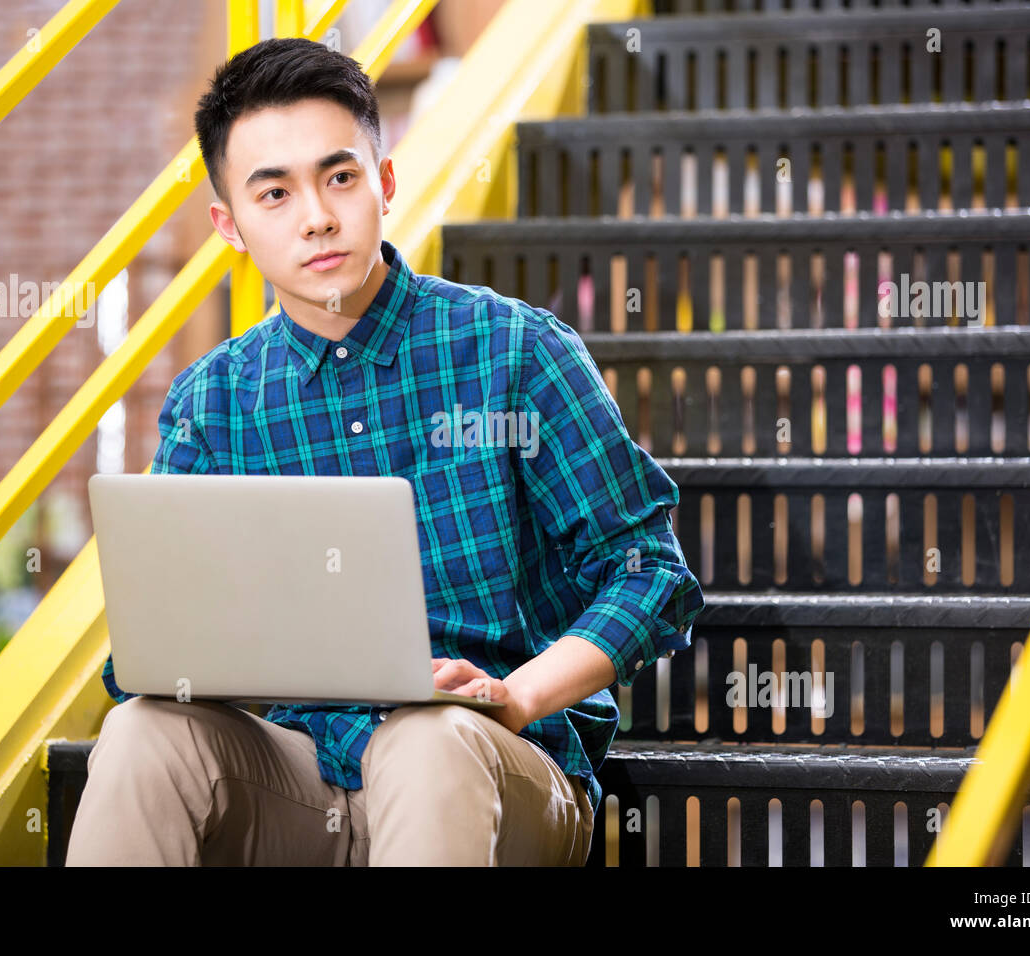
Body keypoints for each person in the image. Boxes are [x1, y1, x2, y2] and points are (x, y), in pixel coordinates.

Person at [65, 36, 703, 867]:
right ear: (230, 226)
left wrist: (516, 696)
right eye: (274, 193)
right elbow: (156, 656)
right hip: (302, 781)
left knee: (426, 740)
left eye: (340, 177)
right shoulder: (213, 403)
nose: (317, 216)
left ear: (385, 182)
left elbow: (651, 571)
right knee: (144, 733)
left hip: (493, 769)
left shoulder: (513, 350)